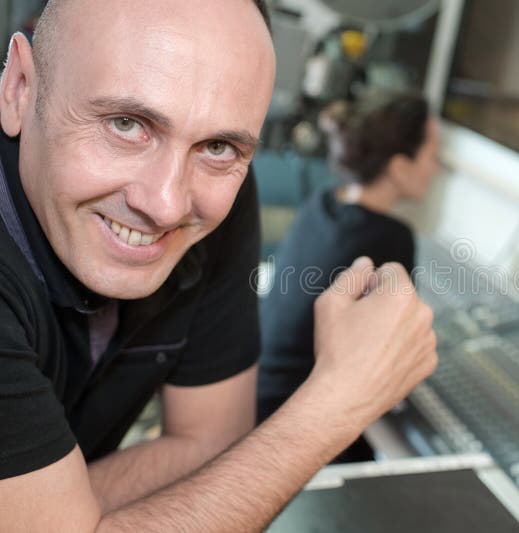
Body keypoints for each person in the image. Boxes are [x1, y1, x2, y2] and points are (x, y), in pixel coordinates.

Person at [0, 1, 437, 531]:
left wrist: (54, 508)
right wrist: (337, 401)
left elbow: (212, 440)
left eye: (217, 145)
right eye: (125, 123)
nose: (167, 205)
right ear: (19, 89)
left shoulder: (215, 202)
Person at [257, 93, 440, 462]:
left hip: (257, 396)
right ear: (400, 167)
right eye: (431, 157)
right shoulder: (391, 237)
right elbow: (392, 352)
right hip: (294, 425)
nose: (436, 169)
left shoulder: (324, 202)